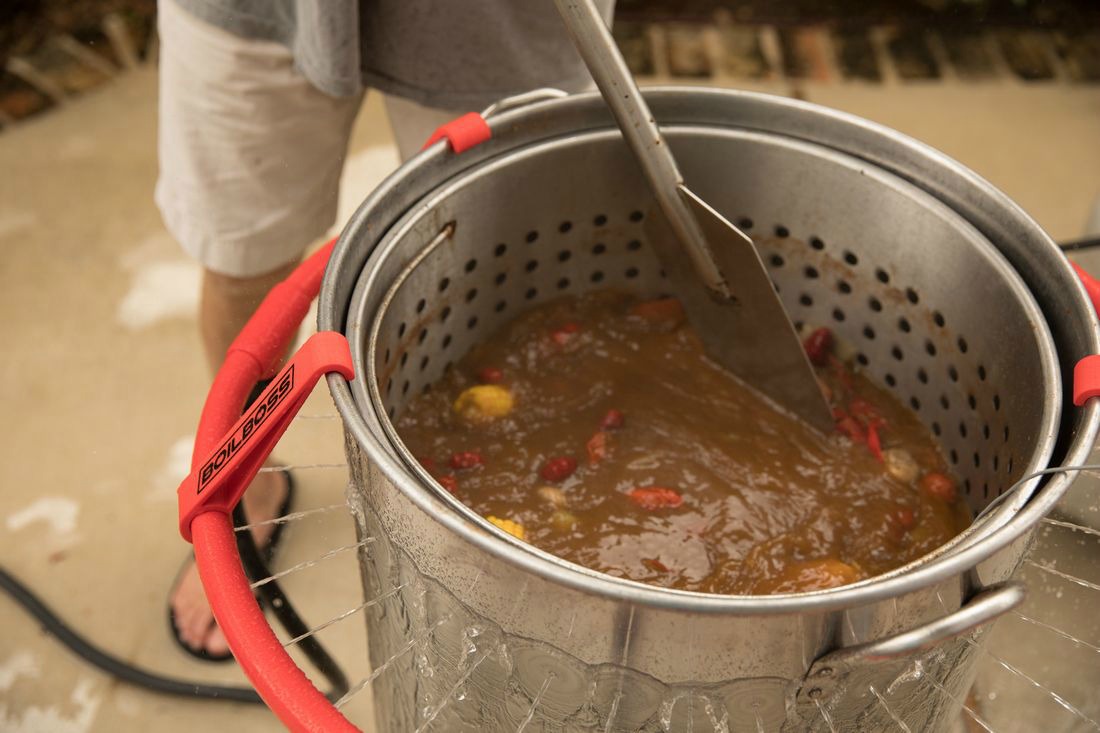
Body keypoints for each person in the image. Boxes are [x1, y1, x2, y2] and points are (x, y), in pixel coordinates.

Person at [157, 0, 615, 660]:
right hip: (257, 11)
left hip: (498, 18)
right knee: (243, 259)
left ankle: (500, 535)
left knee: (508, 261)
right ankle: (247, 487)